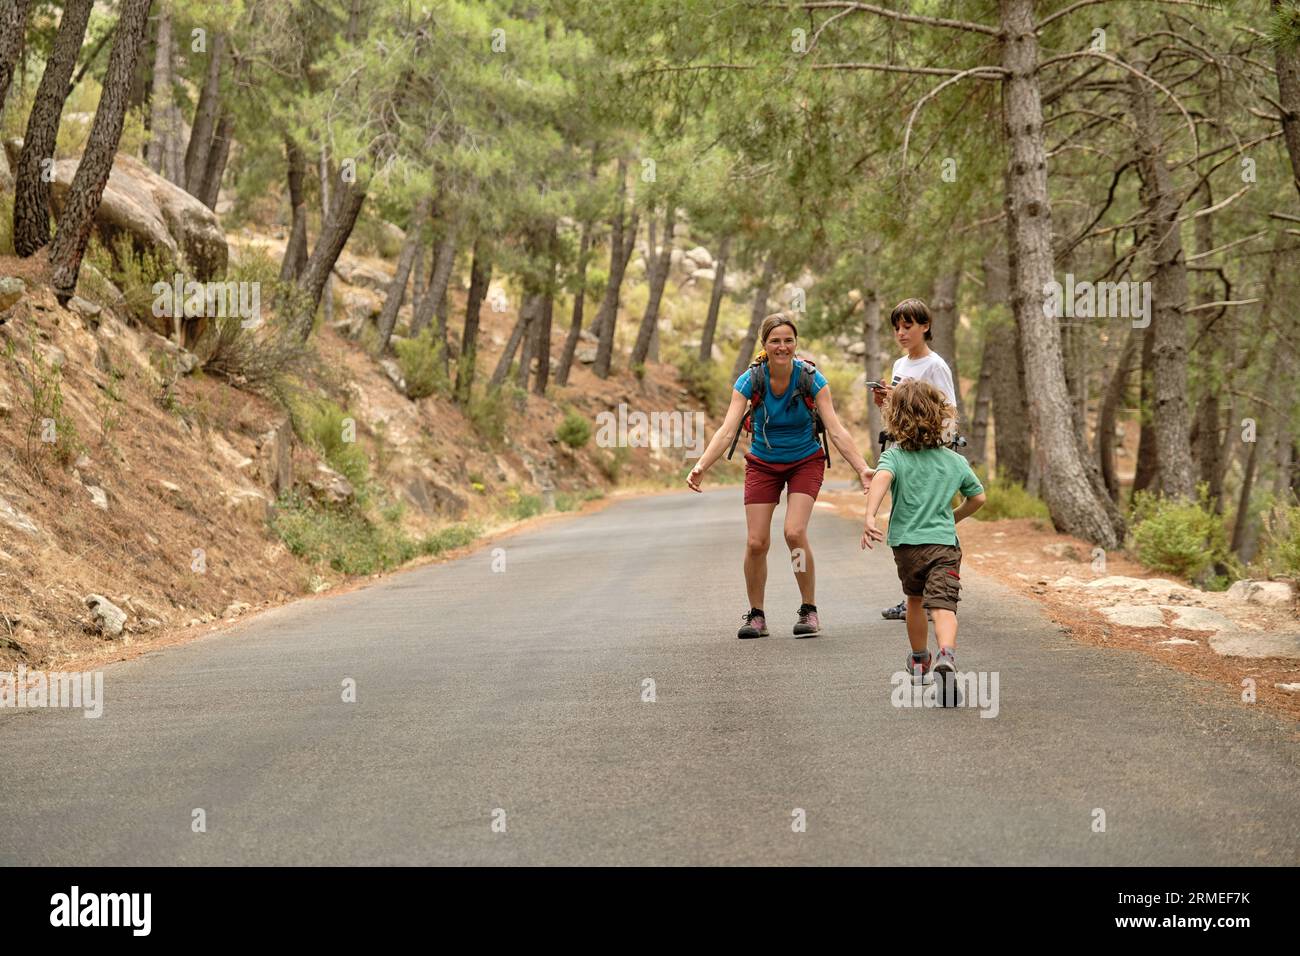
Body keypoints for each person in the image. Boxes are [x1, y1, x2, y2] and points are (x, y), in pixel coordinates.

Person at [688, 313, 875, 639]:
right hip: (763, 462)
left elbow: (836, 429)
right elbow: (727, 429)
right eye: (775, 340)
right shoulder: (751, 380)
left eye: (788, 340)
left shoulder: (811, 379)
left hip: (805, 461)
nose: (782, 346)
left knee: (793, 532)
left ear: (795, 344)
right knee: (756, 541)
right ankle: (757, 615)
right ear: (765, 345)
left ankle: (809, 609)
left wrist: (862, 468)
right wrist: (701, 465)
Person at [861, 379, 985, 690]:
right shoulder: (955, 461)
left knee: (914, 601)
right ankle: (947, 655)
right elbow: (978, 497)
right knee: (943, 605)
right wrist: (951, 519)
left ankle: (919, 659)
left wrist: (870, 515)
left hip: (906, 547)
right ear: (940, 417)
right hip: (943, 545)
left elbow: (881, 479)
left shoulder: (894, 456)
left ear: (895, 418)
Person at [871, 298, 958, 622]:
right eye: (897, 327)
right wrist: (885, 401)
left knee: (931, 517)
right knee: (907, 516)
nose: (901, 332)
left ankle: (942, 590)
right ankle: (912, 597)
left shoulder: (935, 366)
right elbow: (898, 412)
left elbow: (949, 410)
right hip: (904, 450)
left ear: (925, 326)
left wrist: (943, 449)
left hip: (931, 453)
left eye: (908, 326)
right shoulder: (899, 365)